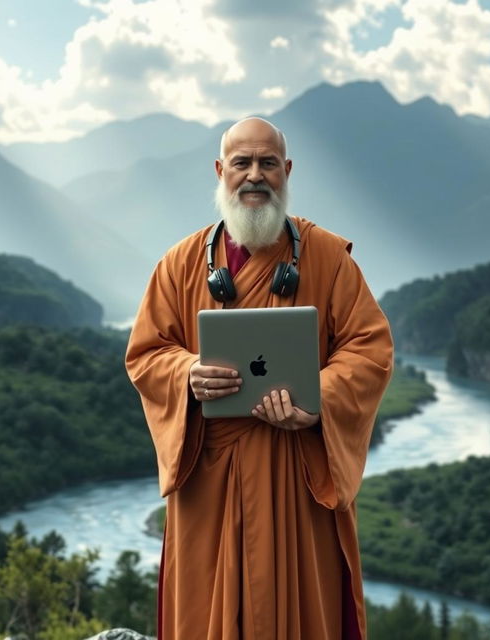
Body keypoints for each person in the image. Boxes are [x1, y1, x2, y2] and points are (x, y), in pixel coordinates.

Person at [125, 117, 393, 639]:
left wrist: (318, 399)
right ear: (220, 171)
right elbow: (146, 353)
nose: (255, 176)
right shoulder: (179, 264)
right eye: (242, 163)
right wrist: (187, 373)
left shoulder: (328, 258)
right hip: (208, 476)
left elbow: (370, 350)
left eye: (267, 163)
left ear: (286, 170)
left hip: (294, 470)